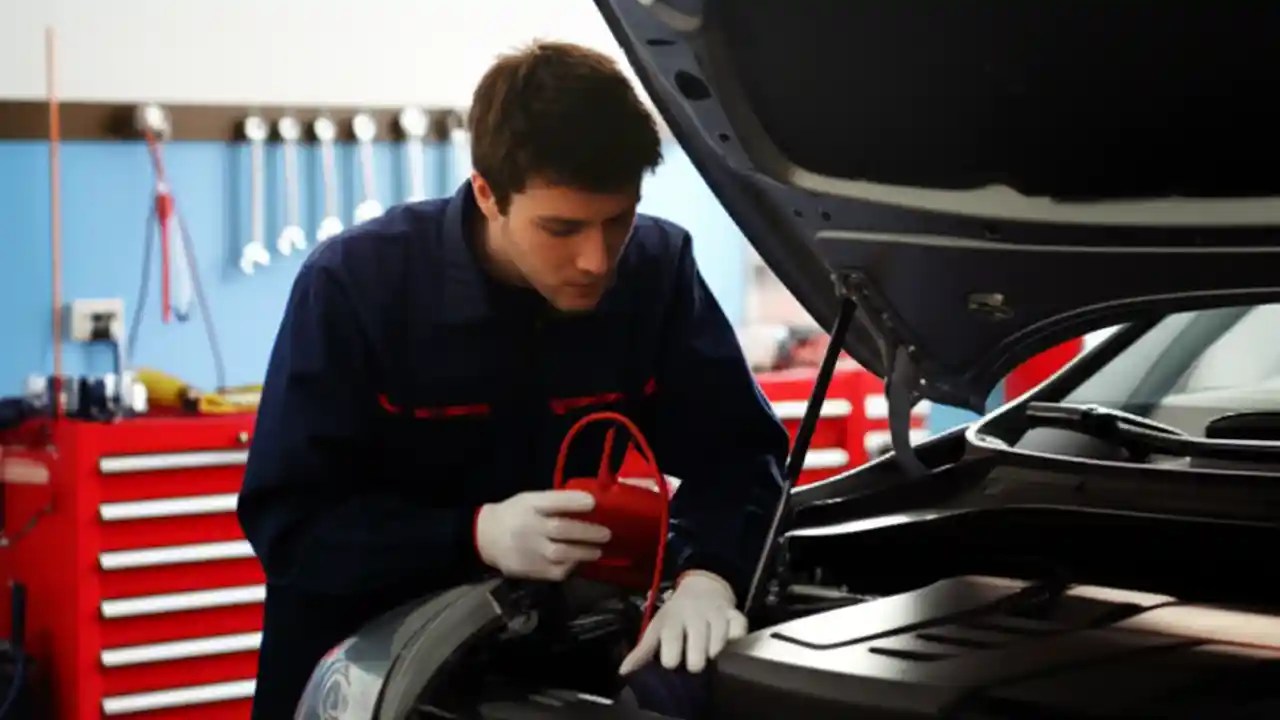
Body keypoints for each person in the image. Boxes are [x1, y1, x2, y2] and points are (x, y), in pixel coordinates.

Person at [237, 40, 788, 717]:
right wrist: (472, 534)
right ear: (487, 194)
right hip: (366, 675)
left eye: (617, 220)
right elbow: (292, 528)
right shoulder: (355, 287)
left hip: (548, 662)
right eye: (561, 228)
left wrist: (709, 575)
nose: (595, 260)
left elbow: (740, 453)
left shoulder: (656, 270)